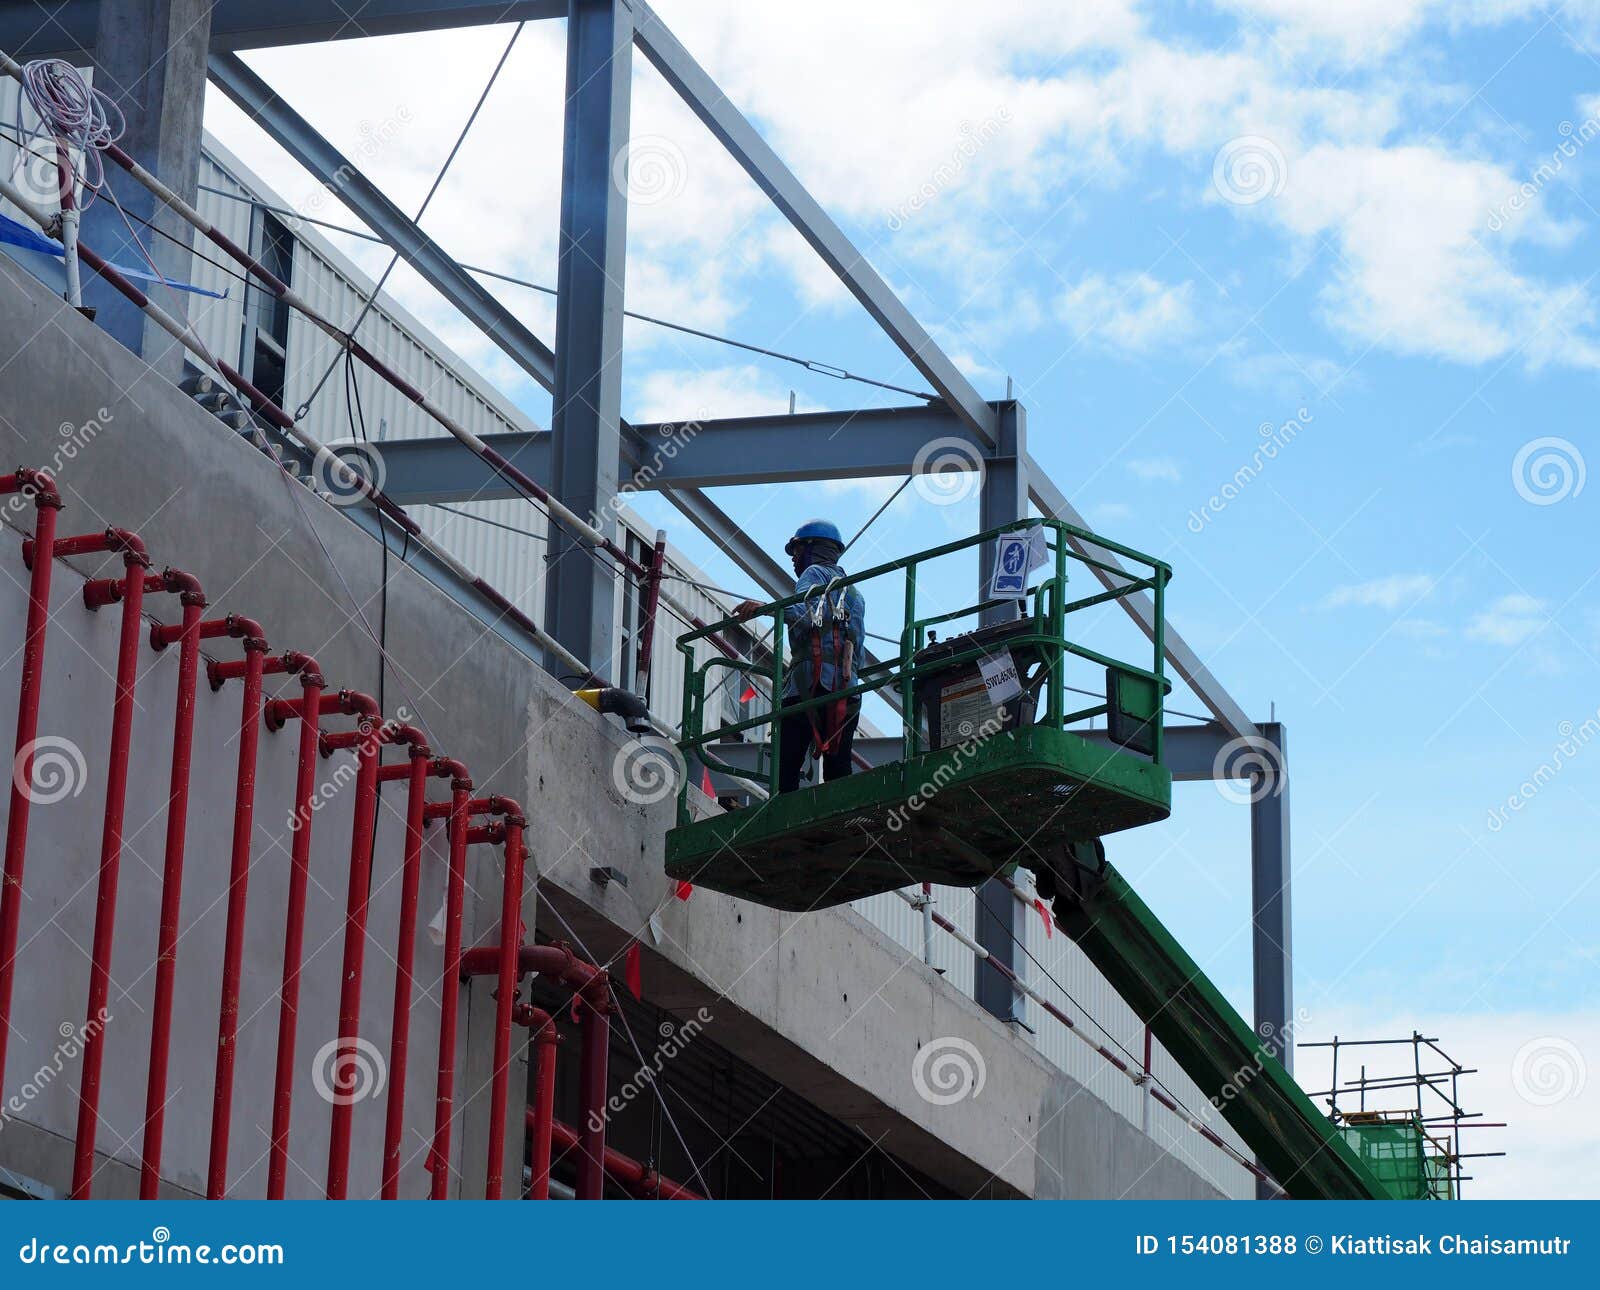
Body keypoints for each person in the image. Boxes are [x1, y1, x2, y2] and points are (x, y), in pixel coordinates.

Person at [733, 519, 866, 793]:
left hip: (809, 685)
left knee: (787, 764)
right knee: (838, 767)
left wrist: (766, 608)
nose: (794, 561)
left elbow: (808, 616)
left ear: (811, 549)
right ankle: (841, 818)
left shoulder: (813, 574)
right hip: (847, 690)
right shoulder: (855, 592)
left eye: (796, 552)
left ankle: (780, 820)